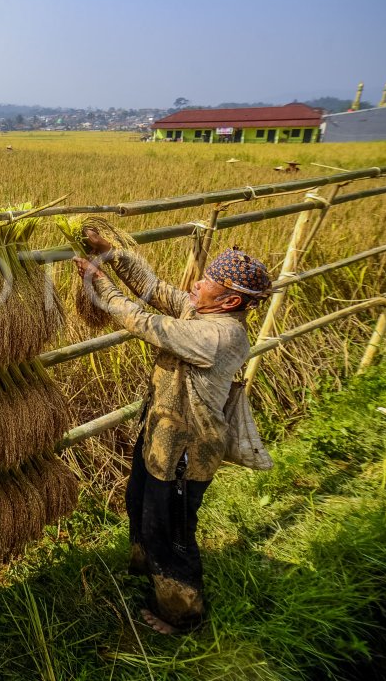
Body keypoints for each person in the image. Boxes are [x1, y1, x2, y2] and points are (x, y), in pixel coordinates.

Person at [73, 238, 271, 635]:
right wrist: (112, 252)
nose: (196, 284)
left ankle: (183, 614)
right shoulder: (202, 313)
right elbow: (155, 289)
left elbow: (146, 322)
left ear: (230, 302)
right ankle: (150, 574)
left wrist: (101, 285)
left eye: (209, 281)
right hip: (162, 436)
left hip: (187, 452)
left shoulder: (220, 335)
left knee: (171, 531)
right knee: (140, 504)